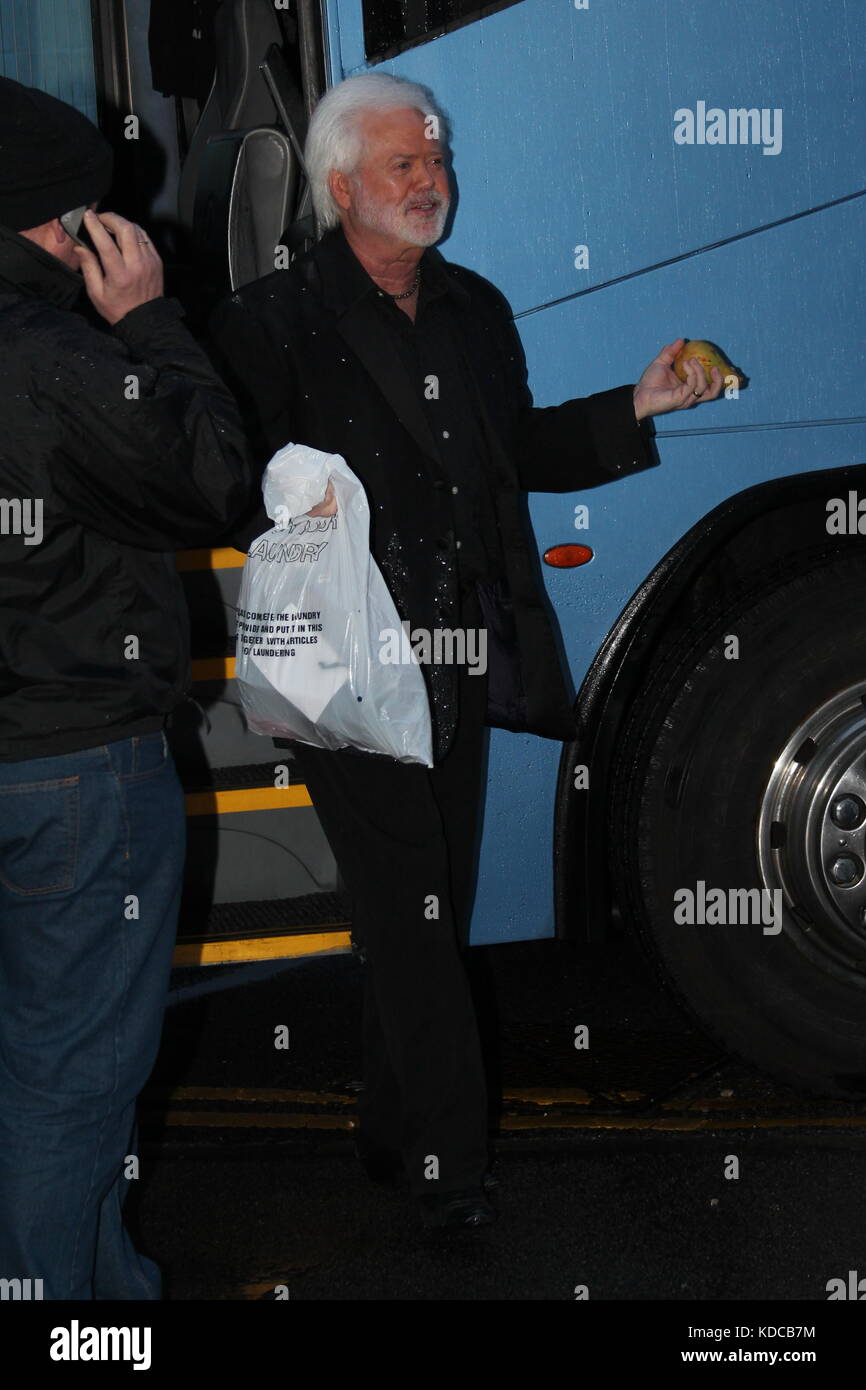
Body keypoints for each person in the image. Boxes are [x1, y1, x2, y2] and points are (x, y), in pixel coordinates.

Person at [209, 71, 723, 1230]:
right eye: (405, 164)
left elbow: (516, 455)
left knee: (424, 902)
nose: (431, 182)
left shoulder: (475, 310)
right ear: (342, 184)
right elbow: (218, 473)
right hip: (349, 669)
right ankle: (448, 1169)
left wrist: (632, 407)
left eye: (437, 162)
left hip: (457, 650)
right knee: (412, 908)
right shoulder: (271, 320)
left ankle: (394, 1135)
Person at [0, 77, 256, 1297]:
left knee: (39, 1064)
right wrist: (150, 321)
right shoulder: (52, 361)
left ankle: (108, 1299)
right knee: (76, 1075)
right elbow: (210, 476)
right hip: (74, 765)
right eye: (70, 220)